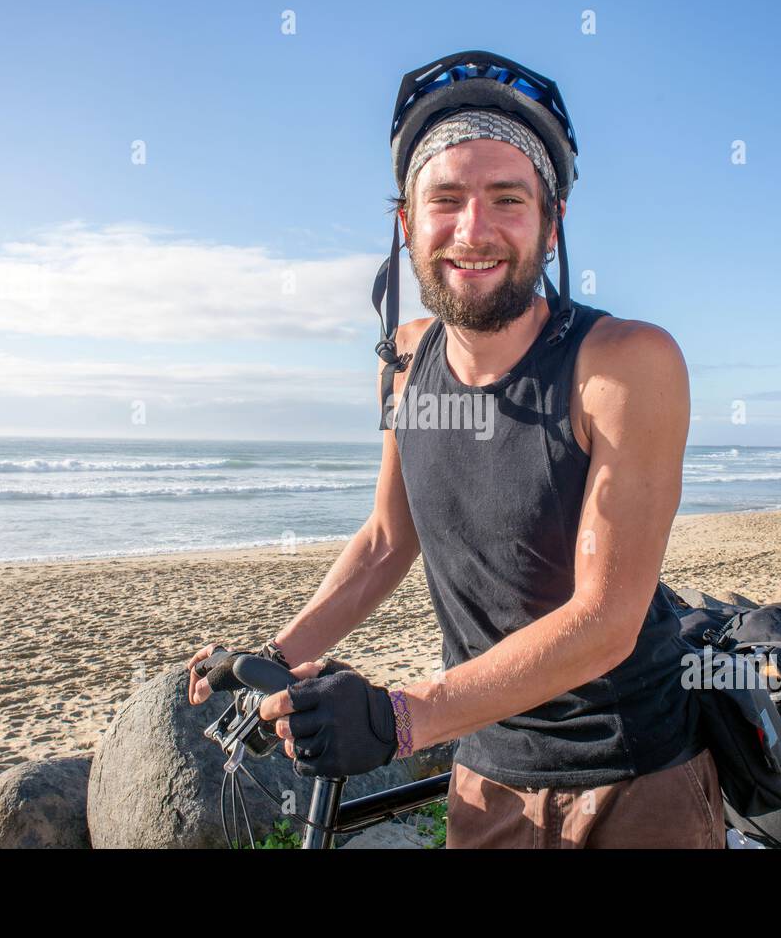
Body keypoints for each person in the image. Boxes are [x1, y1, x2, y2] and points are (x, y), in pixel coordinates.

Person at [185, 50, 722, 848]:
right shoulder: (405, 360)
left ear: (552, 220)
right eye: (446, 199)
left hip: (635, 774)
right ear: (407, 221)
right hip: (486, 771)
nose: (474, 231)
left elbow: (608, 617)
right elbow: (385, 542)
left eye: (508, 198)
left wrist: (401, 717)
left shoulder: (623, 364)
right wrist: (276, 652)